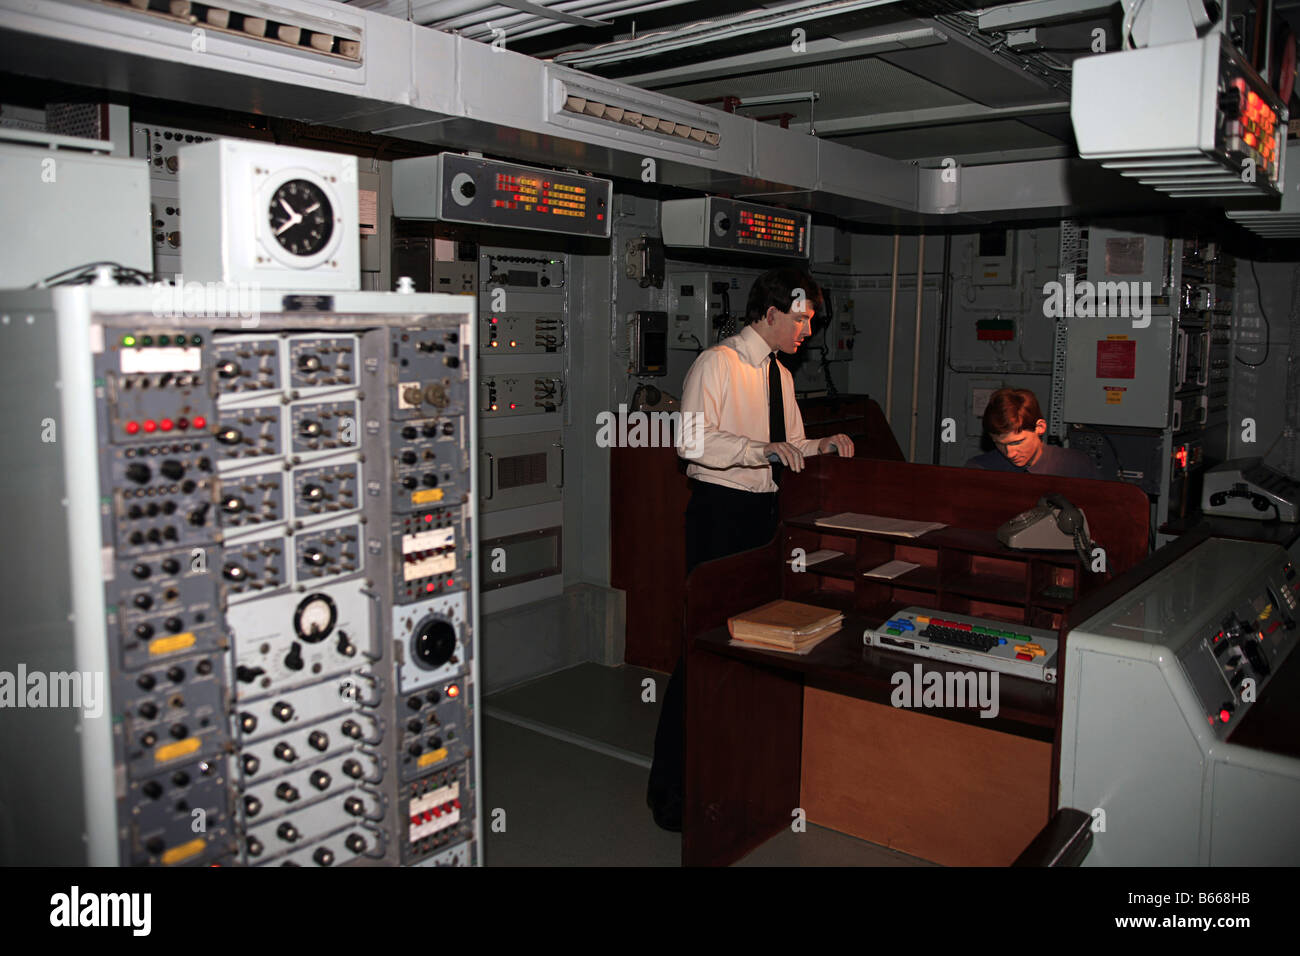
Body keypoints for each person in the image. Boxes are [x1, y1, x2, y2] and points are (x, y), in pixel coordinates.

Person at [646, 266, 854, 832]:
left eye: (811, 320)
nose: (807, 330)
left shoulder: (780, 376)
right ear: (770, 313)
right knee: (705, 649)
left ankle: (733, 777)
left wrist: (824, 444)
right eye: (801, 318)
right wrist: (755, 450)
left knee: (753, 647)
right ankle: (673, 793)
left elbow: (786, 446)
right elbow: (691, 442)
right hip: (719, 514)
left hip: (763, 515)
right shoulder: (717, 363)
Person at [965, 388, 1102, 479]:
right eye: (999, 444)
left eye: (1017, 442)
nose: (1010, 453)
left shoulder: (1076, 466)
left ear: (1040, 427)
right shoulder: (980, 470)